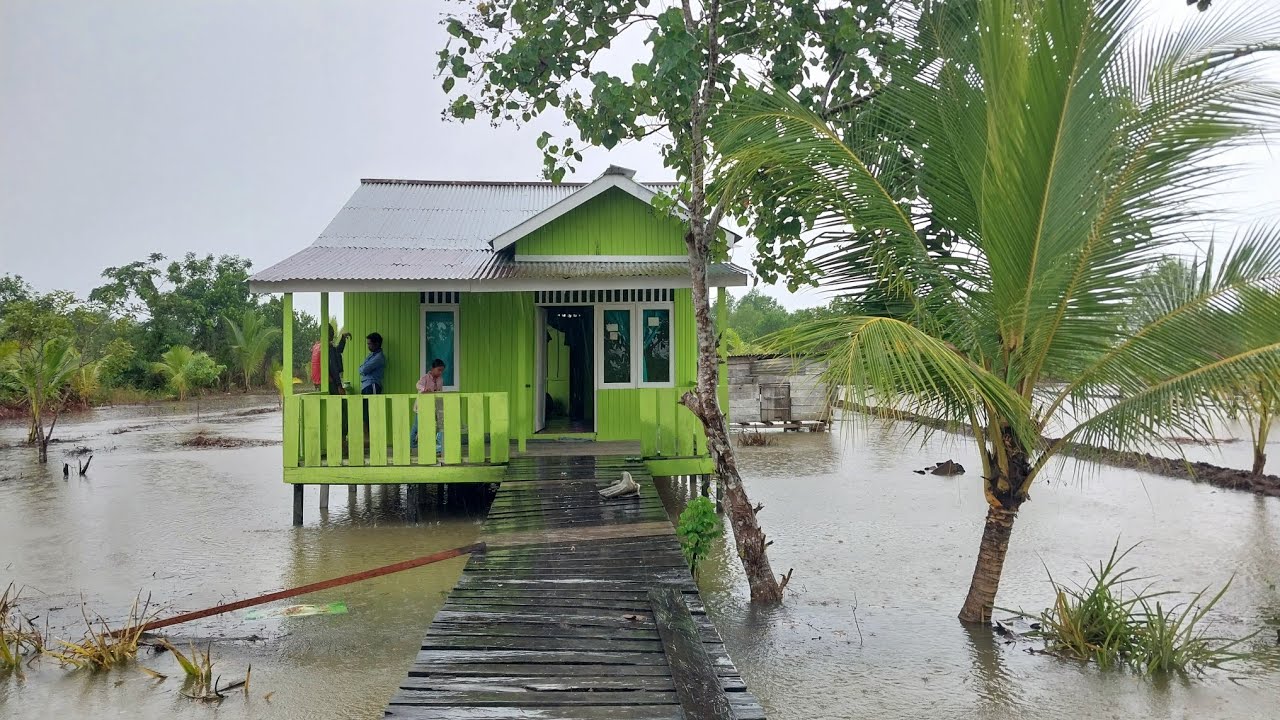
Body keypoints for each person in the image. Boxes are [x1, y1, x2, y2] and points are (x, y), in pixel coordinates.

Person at [411, 358, 446, 454]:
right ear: (433, 368)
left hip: (433, 406)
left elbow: (439, 391)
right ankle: (412, 445)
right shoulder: (425, 377)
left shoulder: (440, 380)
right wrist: (424, 389)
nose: (440, 372)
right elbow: (418, 385)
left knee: (435, 425)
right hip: (422, 406)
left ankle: (435, 446)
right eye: (439, 370)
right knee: (417, 426)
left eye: (442, 370)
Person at [311, 324, 351, 394]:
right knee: (339, 403)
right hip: (330, 382)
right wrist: (339, 386)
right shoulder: (328, 347)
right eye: (332, 332)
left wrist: (343, 339)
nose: (333, 334)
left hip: (319, 382)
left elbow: (337, 352)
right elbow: (333, 367)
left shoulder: (317, 346)